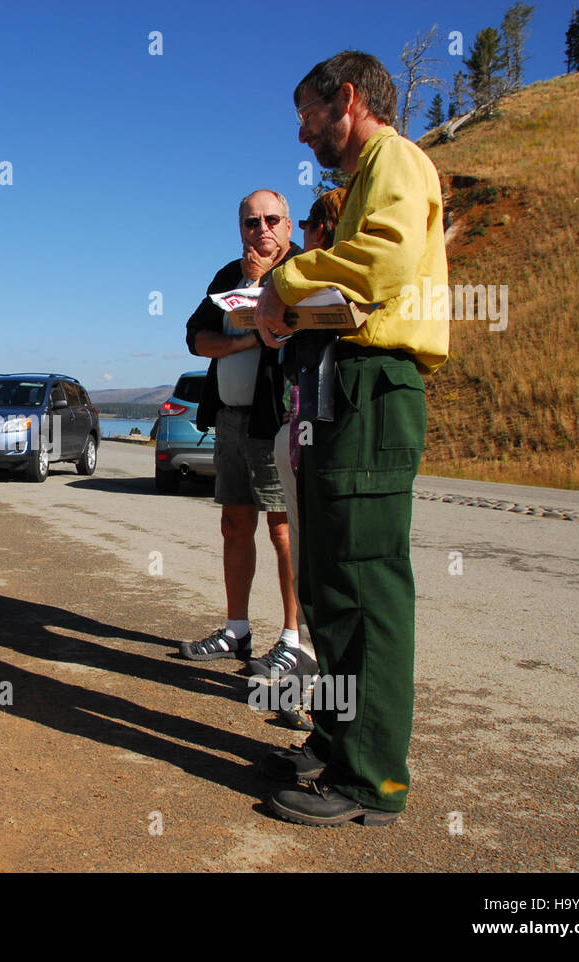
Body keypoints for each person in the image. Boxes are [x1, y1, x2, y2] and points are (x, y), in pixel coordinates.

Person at [253, 51, 449, 826]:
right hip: (342, 385)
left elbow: (384, 262)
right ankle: (336, 742)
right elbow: (356, 283)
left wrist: (282, 284)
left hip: (375, 388)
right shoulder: (363, 178)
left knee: (366, 585)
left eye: (307, 115)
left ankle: (372, 781)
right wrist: (287, 310)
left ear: (348, 99)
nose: (302, 135)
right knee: (330, 579)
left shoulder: (397, 159)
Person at [180, 190, 303, 678]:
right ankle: (237, 629)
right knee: (235, 524)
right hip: (230, 416)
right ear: (240, 228)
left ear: (288, 226)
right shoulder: (227, 274)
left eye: (271, 220)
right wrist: (247, 337)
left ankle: (293, 639)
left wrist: (260, 287)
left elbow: (292, 329)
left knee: (282, 530)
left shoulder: (301, 270)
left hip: (276, 418)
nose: (261, 230)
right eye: (251, 222)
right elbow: (196, 339)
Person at [268, 186, 347, 732]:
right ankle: (316, 693)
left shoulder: (321, 286)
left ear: (319, 232)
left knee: (321, 568)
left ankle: (322, 700)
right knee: (324, 567)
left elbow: (280, 341)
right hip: (305, 436)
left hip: (309, 436)